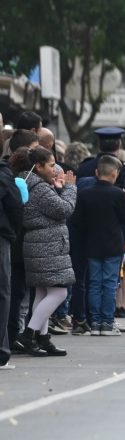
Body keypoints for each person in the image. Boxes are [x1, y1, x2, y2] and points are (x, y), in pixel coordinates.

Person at [18, 147, 76, 357]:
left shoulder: (36, 184)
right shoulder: (40, 188)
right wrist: (70, 189)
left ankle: (42, 338)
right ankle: (29, 333)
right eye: (51, 165)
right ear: (39, 166)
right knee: (60, 292)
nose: (54, 169)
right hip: (46, 244)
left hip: (41, 244)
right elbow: (63, 210)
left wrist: (59, 189)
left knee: (43, 292)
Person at [72, 155, 125, 336]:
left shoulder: (83, 194)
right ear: (114, 174)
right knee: (110, 284)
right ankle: (107, 322)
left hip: (92, 244)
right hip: (113, 245)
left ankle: (95, 322)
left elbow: (77, 220)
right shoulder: (118, 194)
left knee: (94, 284)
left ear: (97, 172)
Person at [0, 143, 25, 368]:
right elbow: (16, 207)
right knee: (3, 292)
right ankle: (1, 350)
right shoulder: (5, 177)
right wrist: (12, 233)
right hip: (2, 237)